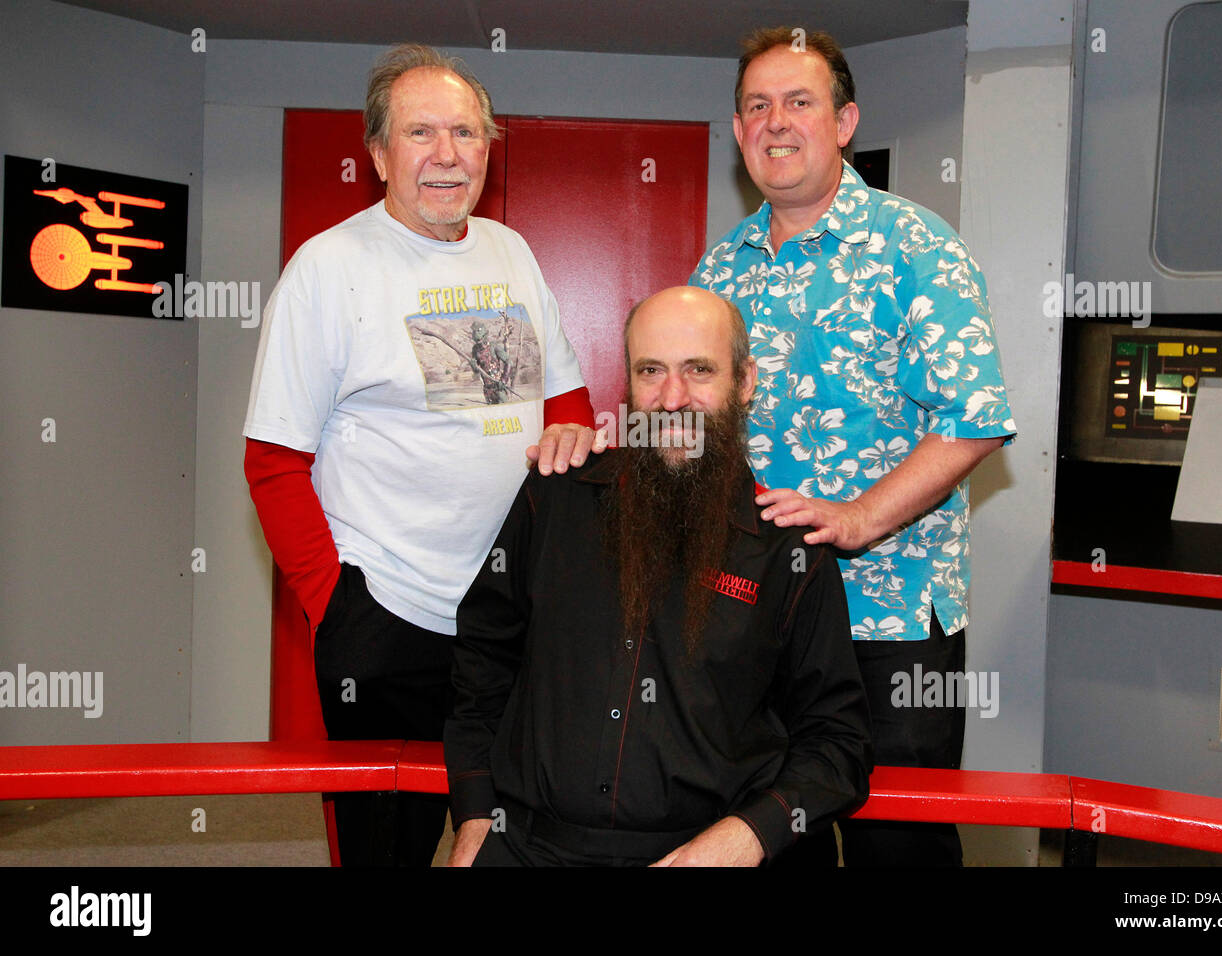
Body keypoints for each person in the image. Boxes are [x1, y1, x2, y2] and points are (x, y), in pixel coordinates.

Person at [242, 43, 600, 866]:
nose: (447, 154)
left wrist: (569, 443)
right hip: (386, 617)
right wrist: (336, 606)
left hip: (511, 617)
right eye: (421, 133)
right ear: (377, 154)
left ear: (488, 149)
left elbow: (567, 403)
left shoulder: (512, 251)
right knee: (384, 849)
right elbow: (272, 462)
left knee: (511, 837)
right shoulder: (327, 270)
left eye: (467, 133)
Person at [689, 27, 1017, 867]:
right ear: (736, 132)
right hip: (758, 608)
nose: (777, 121)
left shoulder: (919, 246)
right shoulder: (720, 271)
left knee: (897, 842)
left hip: (894, 614)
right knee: (768, 830)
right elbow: (689, 421)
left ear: (844, 122)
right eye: (756, 106)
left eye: (800, 101)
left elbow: (975, 416)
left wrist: (862, 517)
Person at [444, 286, 872, 867]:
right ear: (627, 382)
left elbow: (837, 741)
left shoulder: (790, 552)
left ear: (744, 383)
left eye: (700, 370)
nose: (673, 399)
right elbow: (481, 663)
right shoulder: (555, 497)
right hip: (531, 846)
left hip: (712, 855)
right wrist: (473, 818)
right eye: (652, 371)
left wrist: (744, 838)